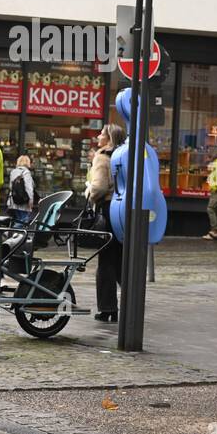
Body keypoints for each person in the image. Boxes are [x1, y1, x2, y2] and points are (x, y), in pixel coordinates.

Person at [88, 124, 125, 322]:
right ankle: (131, 300)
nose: (98, 136)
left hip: (107, 210)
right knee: (119, 259)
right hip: (123, 211)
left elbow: (99, 188)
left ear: (109, 138)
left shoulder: (102, 157)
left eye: (101, 134)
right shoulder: (125, 155)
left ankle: (108, 308)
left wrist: (89, 193)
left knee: (106, 261)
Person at [8, 154, 36, 226]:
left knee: (18, 219)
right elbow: (29, 188)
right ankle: (12, 232)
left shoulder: (13, 172)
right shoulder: (26, 172)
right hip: (23, 202)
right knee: (24, 220)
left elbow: (11, 187)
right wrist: (31, 201)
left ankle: (15, 234)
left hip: (13, 201)